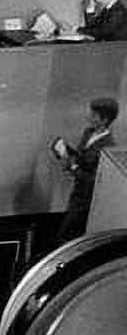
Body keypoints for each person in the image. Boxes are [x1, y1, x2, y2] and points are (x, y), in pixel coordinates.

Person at [52, 98, 118, 244]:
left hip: (86, 200)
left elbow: (94, 180)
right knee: (67, 232)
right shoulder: (88, 132)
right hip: (77, 193)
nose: (90, 118)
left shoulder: (108, 147)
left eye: (94, 115)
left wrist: (73, 167)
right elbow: (81, 157)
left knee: (67, 235)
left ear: (105, 119)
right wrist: (64, 152)